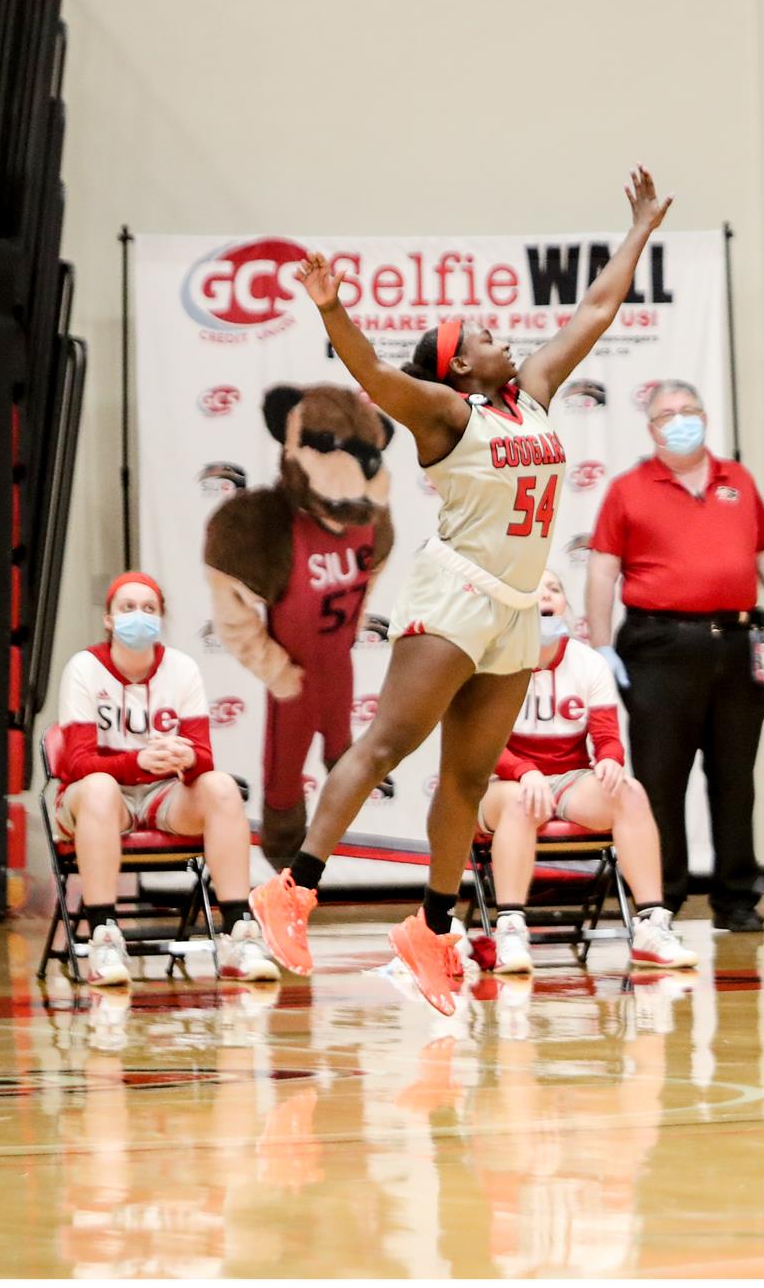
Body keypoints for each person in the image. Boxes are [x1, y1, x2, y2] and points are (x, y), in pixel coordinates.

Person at [247, 167, 672, 1014]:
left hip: (513, 609)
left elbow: (594, 311)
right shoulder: (447, 414)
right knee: (386, 745)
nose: (500, 335)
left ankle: (432, 929)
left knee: (469, 780)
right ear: (460, 366)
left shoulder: (533, 394)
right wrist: (331, 308)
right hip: (457, 593)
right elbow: (373, 373)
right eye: (482, 334)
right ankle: (291, 888)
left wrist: (639, 229)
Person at [585, 380, 764, 933]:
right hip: (658, 647)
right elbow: (602, 570)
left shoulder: (738, 480)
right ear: (651, 428)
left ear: (705, 417)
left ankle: (737, 899)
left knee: (735, 778)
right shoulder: (627, 490)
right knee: (659, 780)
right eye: (666, 414)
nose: (679, 420)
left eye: (688, 410)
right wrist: (601, 648)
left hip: (737, 645)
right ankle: (660, 900)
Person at [55, 572, 274, 986]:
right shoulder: (84, 668)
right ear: (108, 619)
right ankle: (103, 937)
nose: (138, 616)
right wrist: (140, 761)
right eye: (127, 608)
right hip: (96, 798)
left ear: (160, 618)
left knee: (222, 787)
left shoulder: (182, 668)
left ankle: (238, 934)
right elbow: (78, 764)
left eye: (148, 608)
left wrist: (188, 757)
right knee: (99, 787)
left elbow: (204, 759)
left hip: (162, 795)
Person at [476, 570, 696, 974]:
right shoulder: (492, 661)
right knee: (523, 801)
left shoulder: (588, 663)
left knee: (630, 792)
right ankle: (510, 931)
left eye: (555, 589)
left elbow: (607, 737)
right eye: (536, 588)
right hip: (502, 782)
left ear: (565, 605)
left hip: (570, 780)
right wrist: (524, 772)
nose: (547, 595)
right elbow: (483, 746)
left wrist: (611, 759)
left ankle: (651, 927)